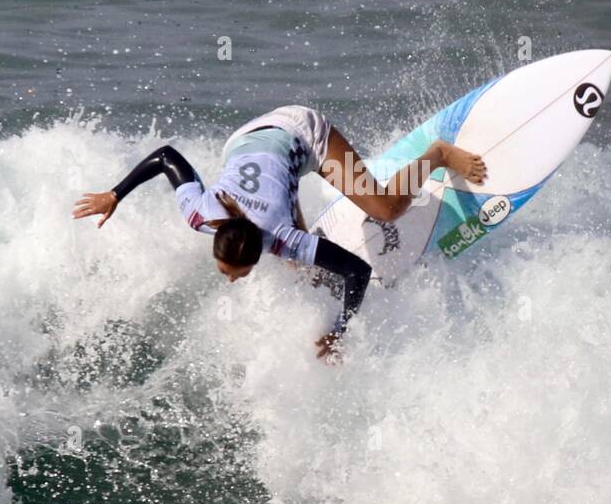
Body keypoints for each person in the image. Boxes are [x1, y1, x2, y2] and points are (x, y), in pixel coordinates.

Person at [73, 105, 487, 360]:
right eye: (228, 271)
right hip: (246, 138)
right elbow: (165, 157)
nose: (233, 279)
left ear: (264, 248)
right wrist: (115, 194)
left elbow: (357, 271)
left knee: (386, 208)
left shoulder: (280, 237)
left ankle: (437, 154)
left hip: (301, 133)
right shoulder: (200, 213)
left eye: (236, 272)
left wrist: (342, 330)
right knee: (302, 267)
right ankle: (308, 252)